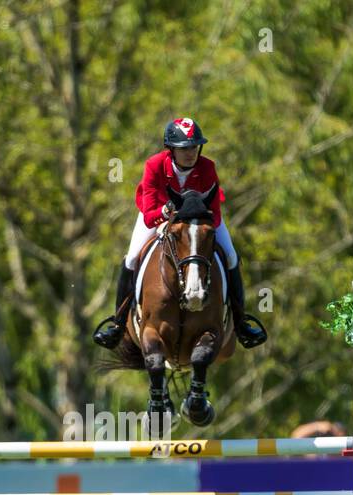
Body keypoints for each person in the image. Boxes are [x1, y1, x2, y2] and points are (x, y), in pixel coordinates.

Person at [93, 117, 267, 351]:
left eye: (194, 147)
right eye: (184, 149)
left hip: (198, 221)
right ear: (172, 150)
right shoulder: (154, 165)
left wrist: (200, 225)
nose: (190, 153)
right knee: (133, 257)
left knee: (232, 256)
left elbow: (214, 213)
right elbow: (148, 214)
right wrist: (166, 214)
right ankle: (118, 323)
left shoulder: (207, 167)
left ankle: (240, 322)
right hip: (158, 215)